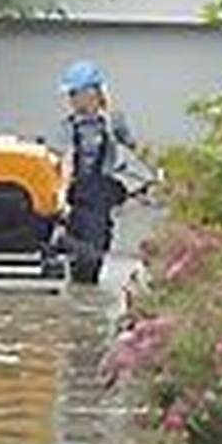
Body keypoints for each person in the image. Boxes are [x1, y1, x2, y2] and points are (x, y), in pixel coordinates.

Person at [52, 60, 154, 284]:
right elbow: (66, 160)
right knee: (85, 259)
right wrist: (61, 195)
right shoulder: (68, 126)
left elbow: (134, 147)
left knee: (97, 251)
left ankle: (85, 297)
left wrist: (154, 175)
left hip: (102, 192)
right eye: (69, 95)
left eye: (74, 93)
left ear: (92, 93)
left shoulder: (112, 121)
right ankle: (61, 243)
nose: (71, 100)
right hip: (77, 194)